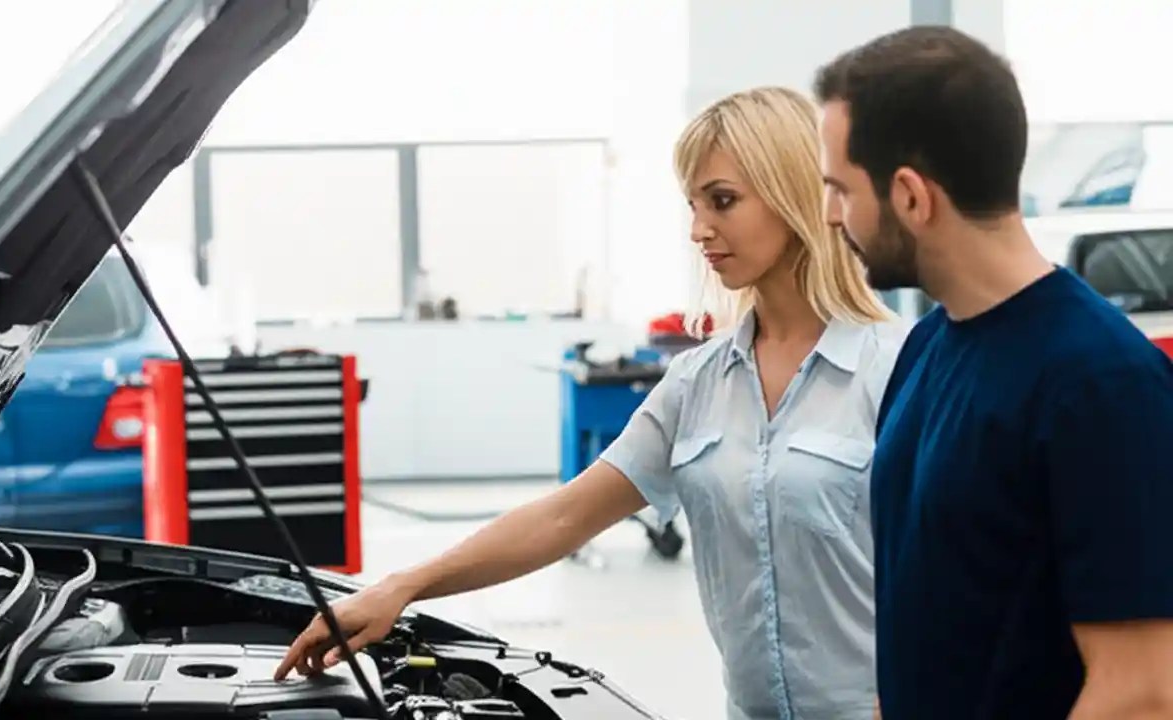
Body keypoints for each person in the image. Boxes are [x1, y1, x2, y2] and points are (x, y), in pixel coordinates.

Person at [275, 87, 908, 719]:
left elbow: (972, 575)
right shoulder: (697, 383)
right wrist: (400, 589)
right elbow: (563, 518)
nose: (698, 231)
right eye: (693, 206)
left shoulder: (900, 368)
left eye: (723, 201)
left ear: (797, 194)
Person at [814, 26, 1173, 720]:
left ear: (912, 196)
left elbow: (1143, 692)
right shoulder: (925, 350)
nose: (831, 215)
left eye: (840, 188)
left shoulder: (1100, 384)